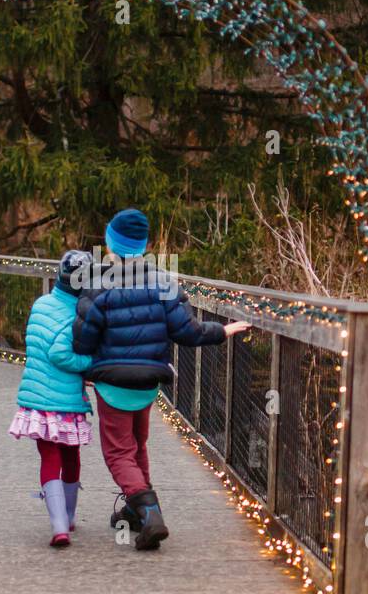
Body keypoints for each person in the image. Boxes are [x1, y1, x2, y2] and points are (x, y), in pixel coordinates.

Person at [72, 209, 250, 549]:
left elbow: (83, 341)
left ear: (109, 244)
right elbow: (188, 331)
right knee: (137, 446)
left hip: (112, 385)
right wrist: (222, 331)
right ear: (144, 246)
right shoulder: (164, 283)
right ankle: (136, 511)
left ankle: (150, 511)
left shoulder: (97, 286)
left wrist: (83, 371)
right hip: (148, 384)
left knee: (118, 453)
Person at [9, 250, 95, 547]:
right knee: (71, 456)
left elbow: (34, 345)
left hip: (37, 400)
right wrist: (90, 364)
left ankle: (58, 526)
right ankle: (68, 517)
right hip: (66, 400)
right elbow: (60, 354)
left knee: (49, 457)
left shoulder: (40, 304)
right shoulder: (80, 313)